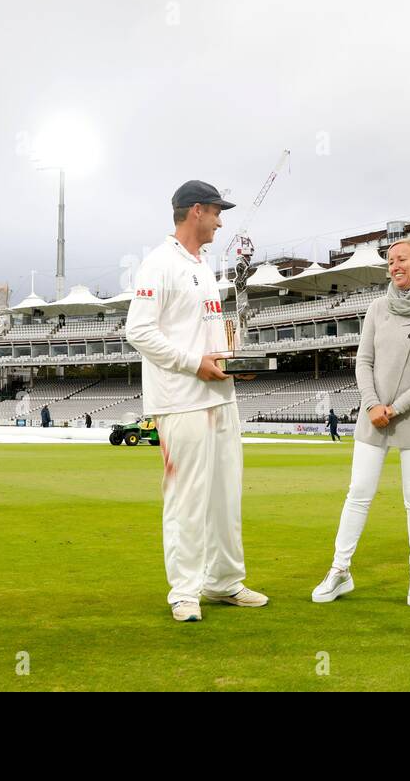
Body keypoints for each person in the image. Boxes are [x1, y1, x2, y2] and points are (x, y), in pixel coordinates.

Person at [125, 180, 269, 623]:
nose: (220, 220)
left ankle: (224, 581)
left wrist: (234, 359)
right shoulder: (158, 264)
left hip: (219, 395)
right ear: (194, 212)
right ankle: (184, 592)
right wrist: (194, 363)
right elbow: (139, 331)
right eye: (215, 212)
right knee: (186, 497)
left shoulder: (204, 266)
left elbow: (212, 327)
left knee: (226, 495)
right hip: (181, 399)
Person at [312, 238, 410, 607]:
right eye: (390, 261)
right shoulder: (377, 308)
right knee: (358, 494)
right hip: (374, 417)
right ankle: (339, 572)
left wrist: (396, 406)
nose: (394, 266)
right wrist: (374, 405)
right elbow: (364, 362)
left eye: (401, 259)